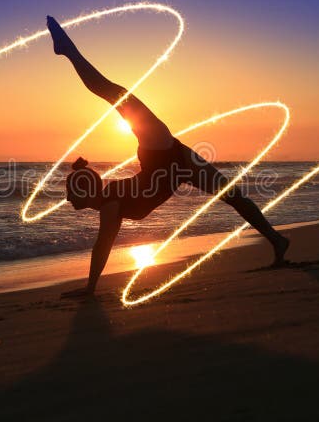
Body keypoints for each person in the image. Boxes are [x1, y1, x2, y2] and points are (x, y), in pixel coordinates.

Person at [46, 16, 290, 299]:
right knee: (232, 196)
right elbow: (105, 242)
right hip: (177, 161)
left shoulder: (110, 203)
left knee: (114, 94)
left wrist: (89, 289)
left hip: (158, 152)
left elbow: (103, 244)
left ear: (85, 192)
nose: (66, 198)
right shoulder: (108, 203)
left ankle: (68, 51)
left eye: (69, 191)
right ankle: (277, 240)